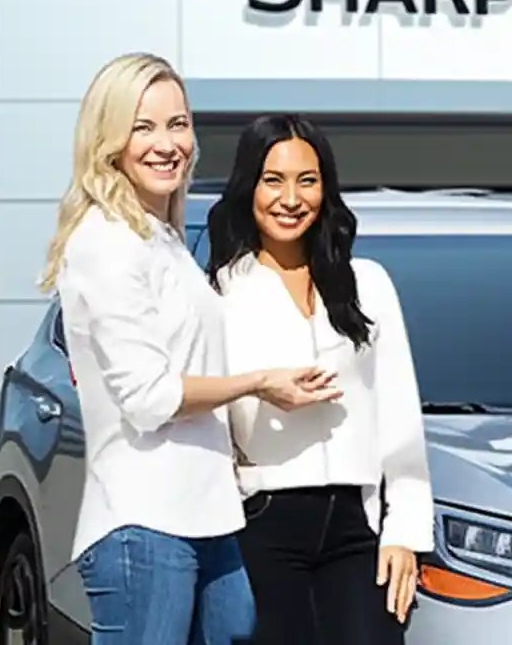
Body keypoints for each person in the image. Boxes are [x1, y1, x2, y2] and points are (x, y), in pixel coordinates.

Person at [38, 54, 341, 644]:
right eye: (143, 126)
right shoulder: (106, 243)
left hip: (210, 515)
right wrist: (257, 383)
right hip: (144, 521)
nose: (166, 143)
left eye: (177, 124)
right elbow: (149, 398)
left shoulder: (165, 241)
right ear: (109, 140)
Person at [205, 114, 434, 645]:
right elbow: (213, 427)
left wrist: (403, 534)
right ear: (248, 187)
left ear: (326, 188)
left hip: (358, 528)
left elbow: (399, 417)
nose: (291, 198)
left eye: (307, 180)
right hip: (261, 523)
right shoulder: (218, 295)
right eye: (273, 180)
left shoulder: (367, 284)